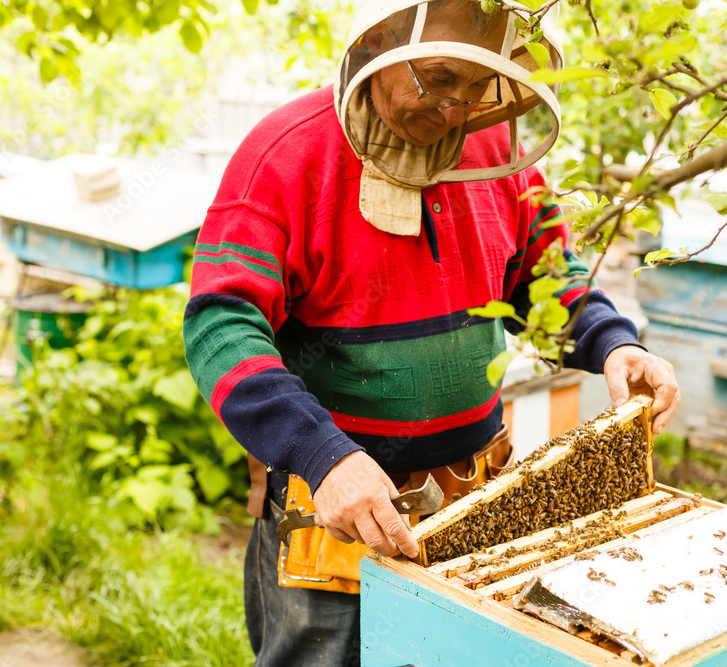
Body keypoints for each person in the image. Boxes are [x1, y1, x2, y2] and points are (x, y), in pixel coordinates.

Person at [183, 0, 681, 665]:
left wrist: (614, 341)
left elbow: (548, 276)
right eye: (441, 78)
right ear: (379, 40)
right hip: (335, 507)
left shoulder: (496, 154)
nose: (455, 108)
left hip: (473, 502)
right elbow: (223, 319)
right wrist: (319, 452)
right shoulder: (286, 153)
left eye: (477, 87)